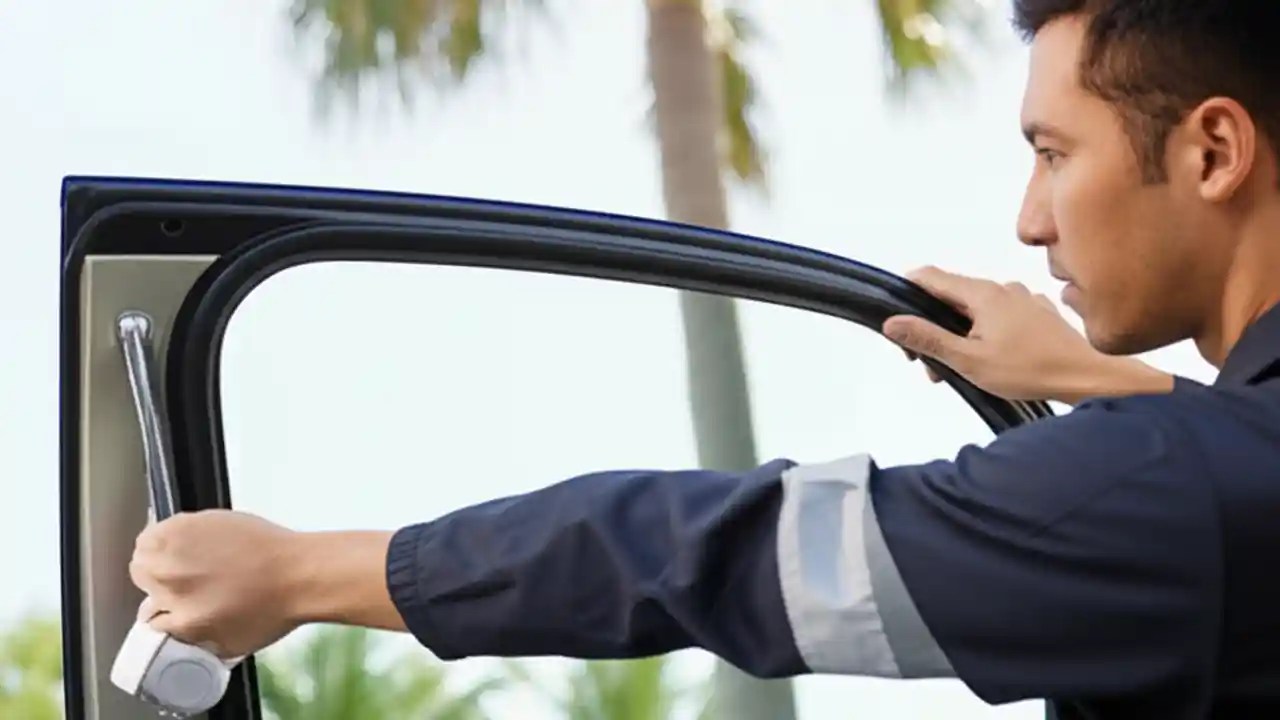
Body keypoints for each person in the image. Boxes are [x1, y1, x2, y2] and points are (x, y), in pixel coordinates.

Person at [128, 1, 1280, 717]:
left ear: (1213, 151)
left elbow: (704, 555)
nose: (1028, 222)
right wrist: (1114, 387)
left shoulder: (1174, 493)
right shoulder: (1215, 471)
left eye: (1051, 153)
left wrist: (297, 575)